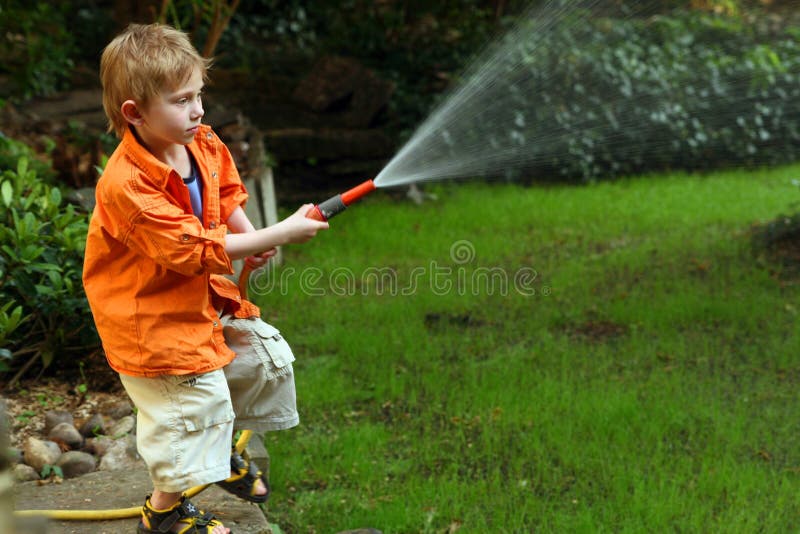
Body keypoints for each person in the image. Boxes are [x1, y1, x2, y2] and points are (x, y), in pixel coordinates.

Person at [82, 23, 328, 534]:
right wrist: (277, 233)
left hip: (198, 302)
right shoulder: (125, 185)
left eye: (198, 95)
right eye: (180, 100)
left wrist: (255, 236)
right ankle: (165, 513)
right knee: (189, 411)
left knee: (260, 360)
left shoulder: (203, 144)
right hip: (151, 321)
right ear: (135, 113)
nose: (197, 110)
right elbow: (189, 249)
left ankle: (218, 453)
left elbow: (228, 196)